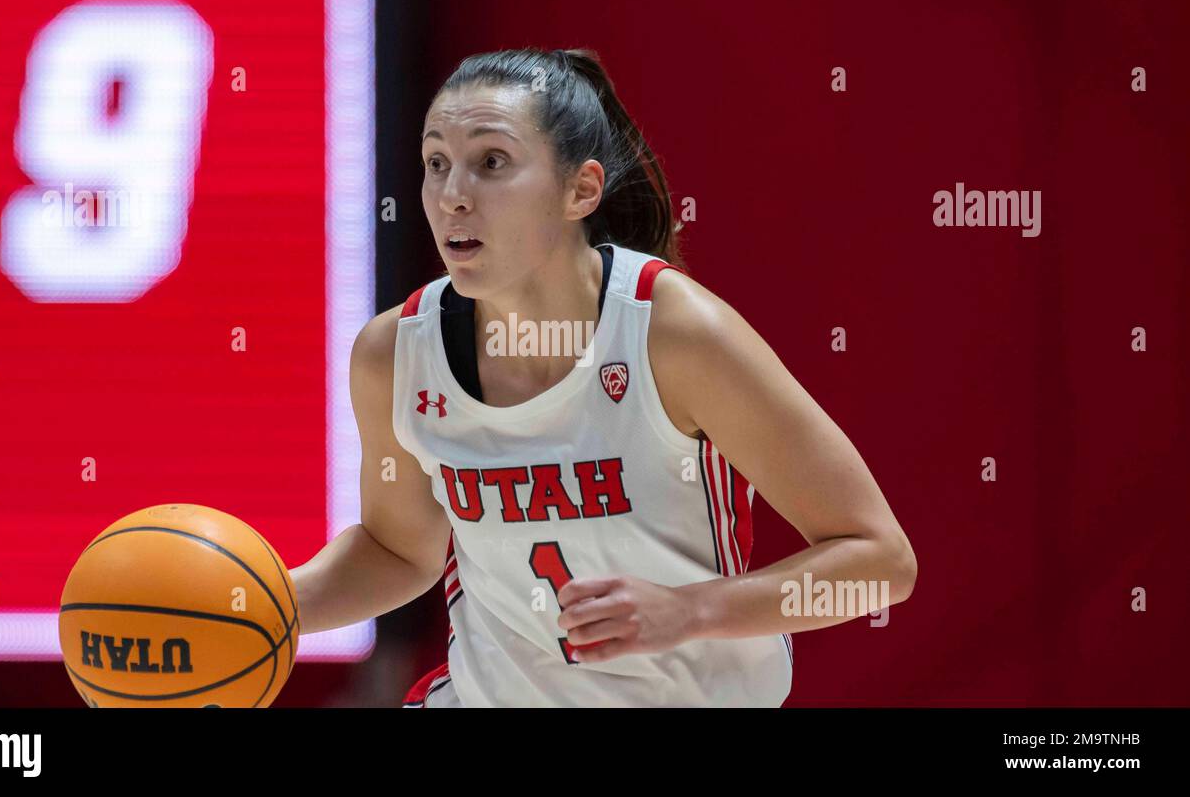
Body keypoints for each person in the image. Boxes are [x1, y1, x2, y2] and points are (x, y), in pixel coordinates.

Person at [289, 48, 917, 707]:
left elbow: (879, 564)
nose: (452, 196)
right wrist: (258, 605)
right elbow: (397, 551)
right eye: (436, 164)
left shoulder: (675, 334)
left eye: (491, 163)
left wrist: (689, 611)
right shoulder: (396, 353)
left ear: (580, 190)